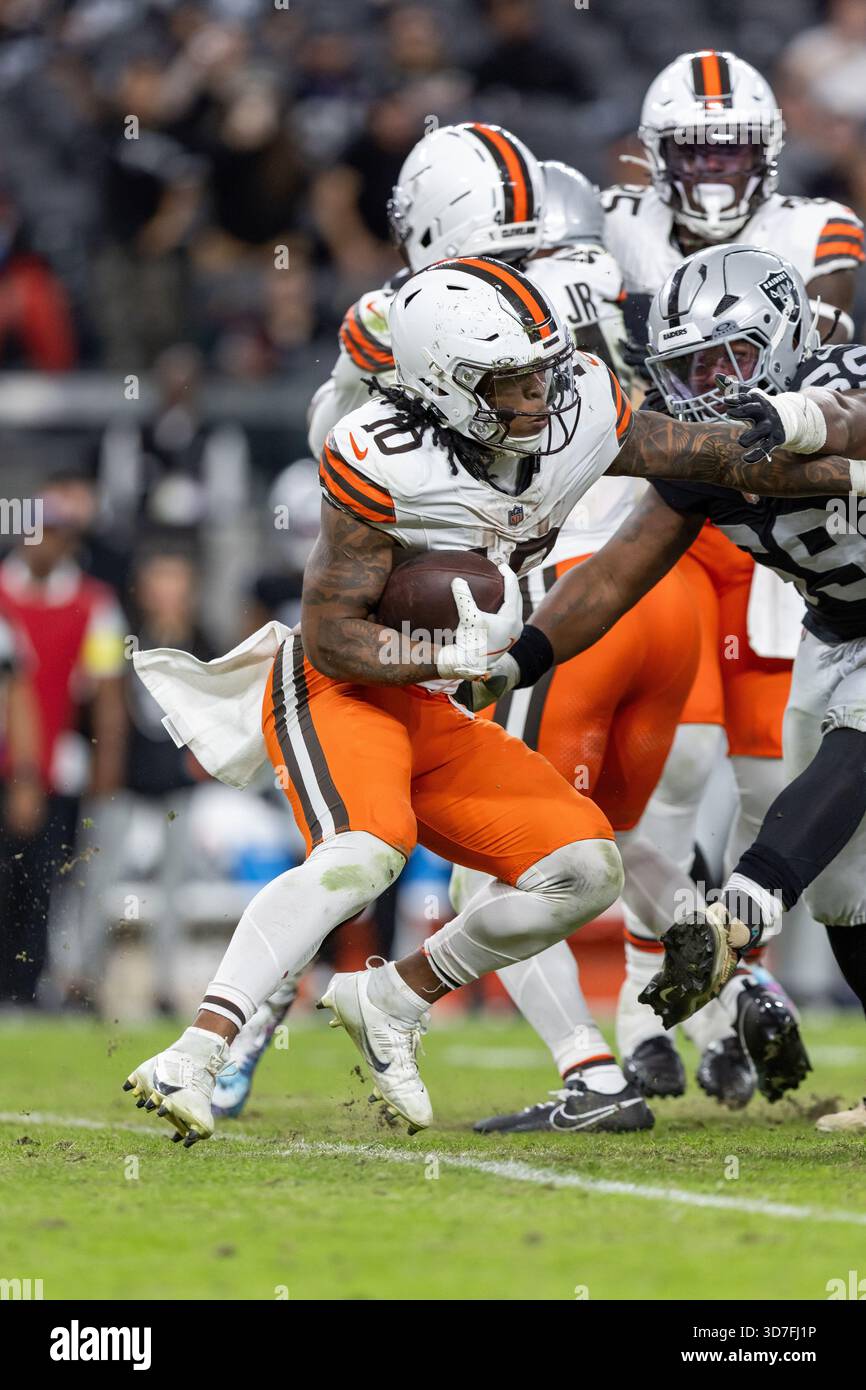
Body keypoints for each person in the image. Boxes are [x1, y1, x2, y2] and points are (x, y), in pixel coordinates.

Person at [124, 254, 834, 1146]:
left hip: (436, 702)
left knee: (585, 869)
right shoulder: (380, 458)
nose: (542, 393)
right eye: (514, 380)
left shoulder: (576, 409)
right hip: (338, 688)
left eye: (544, 367)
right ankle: (196, 1051)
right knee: (368, 851)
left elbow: (715, 460)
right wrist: (438, 649)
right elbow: (337, 629)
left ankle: (392, 996)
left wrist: (841, 465)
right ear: (443, 385)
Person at [464, 243, 866, 1111]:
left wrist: (798, 419)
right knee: (846, 895)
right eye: (690, 369)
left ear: (787, 337)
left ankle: (744, 907)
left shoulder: (839, 368)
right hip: (837, 633)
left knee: (853, 748)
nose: (715, 385)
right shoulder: (698, 457)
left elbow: (854, 414)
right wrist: (517, 661)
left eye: (732, 358)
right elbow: (612, 576)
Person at [601, 48, 865, 1097]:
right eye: (691, 149)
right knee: (837, 876)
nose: (711, 170)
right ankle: (664, 1011)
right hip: (787, 562)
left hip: (794, 493)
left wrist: (785, 415)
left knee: (782, 777)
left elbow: (832, 386)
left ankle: (742, 920)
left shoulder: (816, 243)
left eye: (729, 148)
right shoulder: (613, 227)